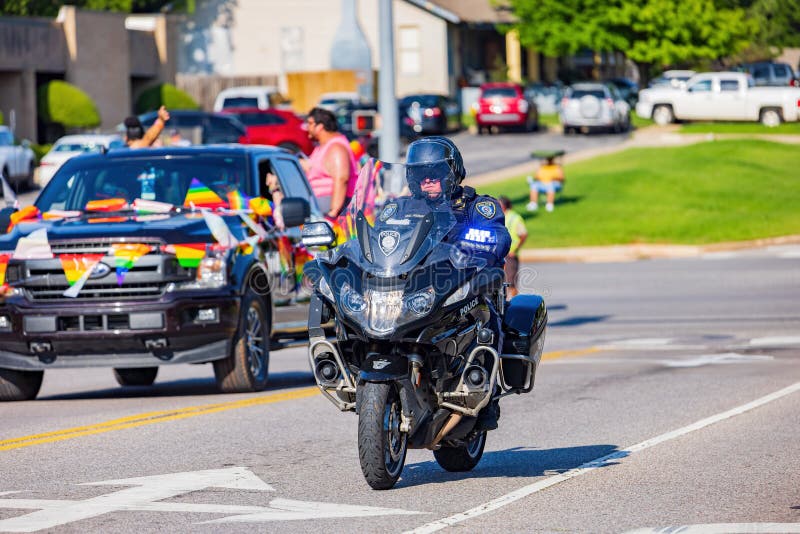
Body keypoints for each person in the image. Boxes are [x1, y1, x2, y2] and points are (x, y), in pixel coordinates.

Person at [299, 107, 358, 223]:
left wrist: (332, 213)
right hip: (318, 206)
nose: (307, 128)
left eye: (310, 123)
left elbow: (341, 179)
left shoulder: (336, 148)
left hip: (331, 210)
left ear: (320, 126)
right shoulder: (321, 147)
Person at [498, 196, 527, 297]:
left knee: (511, 284)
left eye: (499, 204)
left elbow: (523, 235)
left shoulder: (515, 217)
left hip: (510, 255)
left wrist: (514, 250)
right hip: (499, 255)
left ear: (504, 205)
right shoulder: (498, 217)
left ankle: (514, 305)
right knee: (500, 284)